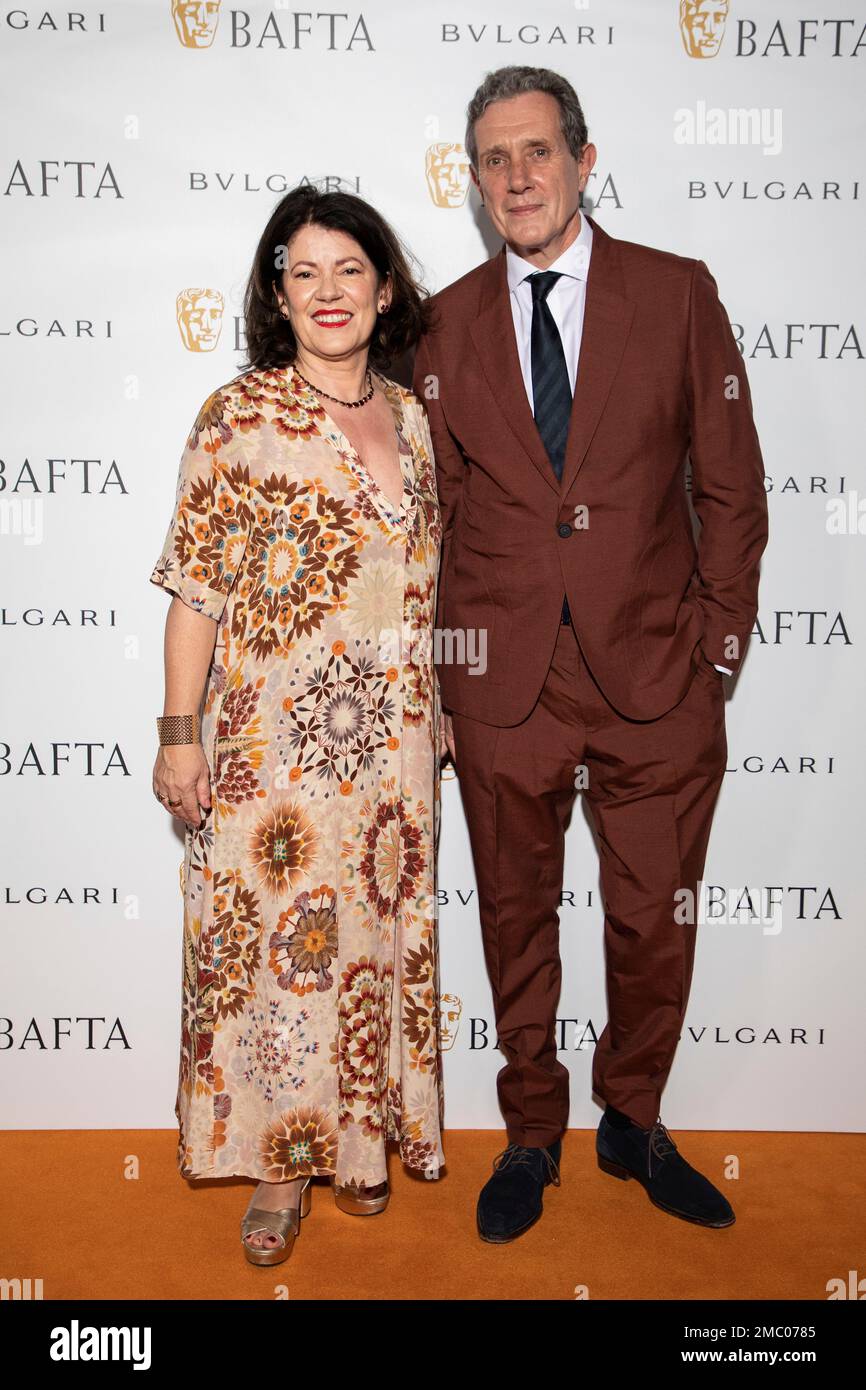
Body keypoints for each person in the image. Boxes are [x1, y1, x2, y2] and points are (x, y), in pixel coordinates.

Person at [413, 65, 769, 1243]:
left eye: (534, 152)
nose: (514, 177)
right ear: (473, 181)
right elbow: (438, 519)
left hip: (657, 676)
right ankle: (529, 1132)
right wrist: (450, 673)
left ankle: (634, 1116)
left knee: (650, 917)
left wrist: (717, 646)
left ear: (581, 157)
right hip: (504, 687)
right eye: (491, 159)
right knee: (514, 917)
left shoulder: (673, 296)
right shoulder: (444, 324)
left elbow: (729, 483)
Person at [150, 184, 445, 1266]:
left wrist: (437, 708)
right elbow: (195, 594)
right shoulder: (238, 417)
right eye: (304, 272)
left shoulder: (410, 416)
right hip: (276, 750)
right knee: (281, 957)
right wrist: (180, 731)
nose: (329, 292)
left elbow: (418, 587)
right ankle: (280, 1165)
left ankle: (356, 1146)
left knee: (366, 952)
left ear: (384, 286)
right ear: (279, 293)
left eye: (349, 270)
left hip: (394, 751)